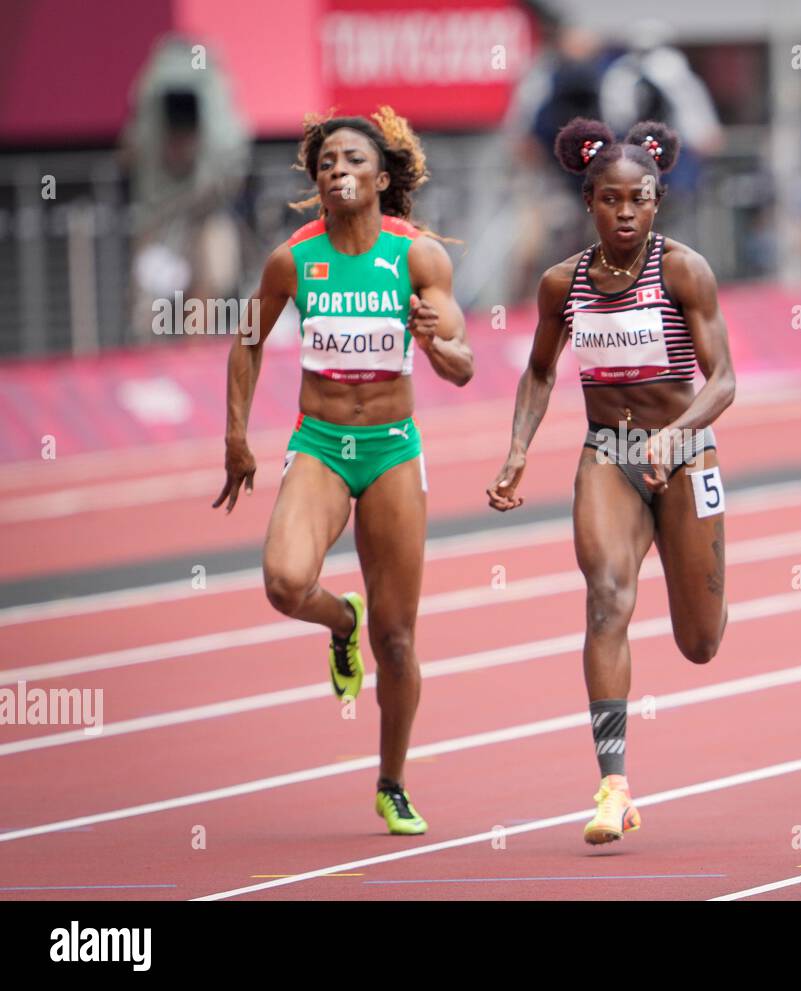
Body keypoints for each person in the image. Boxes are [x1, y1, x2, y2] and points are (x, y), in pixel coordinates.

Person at [214, 107, 474, 835]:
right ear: (315, 181)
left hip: (392, 447)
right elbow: (247, 338)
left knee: (398, 641)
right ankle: (340, 619)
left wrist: (436, 345)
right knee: (284, 582)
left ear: (381, 176)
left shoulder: (417, 256)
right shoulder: (293, 260)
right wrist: (237, 436)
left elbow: (462, 362)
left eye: (354, 159)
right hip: (322, 443)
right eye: (326, 162)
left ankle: (392, 781)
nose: (339, 170)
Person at [487, 117, 736, 845]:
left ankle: (707, 585)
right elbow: (538, 371)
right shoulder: (561, 283)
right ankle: (613, 784)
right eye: (612, 200)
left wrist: (674, 435)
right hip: (609, 456)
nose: (626, 213)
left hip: (687, 458)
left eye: (641, 200)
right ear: (589, 201)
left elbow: (723, 382)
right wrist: (516, 451)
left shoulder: (684, 269)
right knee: (607, 597)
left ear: (658, 202)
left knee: (700, 641)